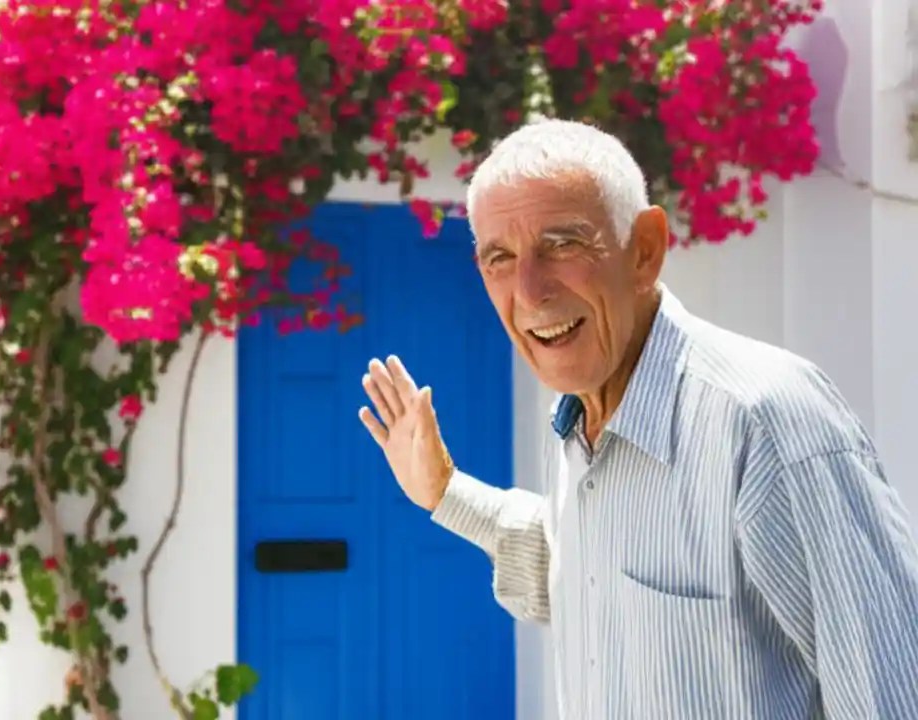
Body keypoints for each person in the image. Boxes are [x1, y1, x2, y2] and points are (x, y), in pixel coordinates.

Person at [357, 119, 918, 719]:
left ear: (644, 250)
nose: (530, 291)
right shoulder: (577, 422)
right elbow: (584, 575)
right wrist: (446, 491)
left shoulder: (765, 422)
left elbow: (890, 689)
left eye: (562, 244)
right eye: (500, 258)